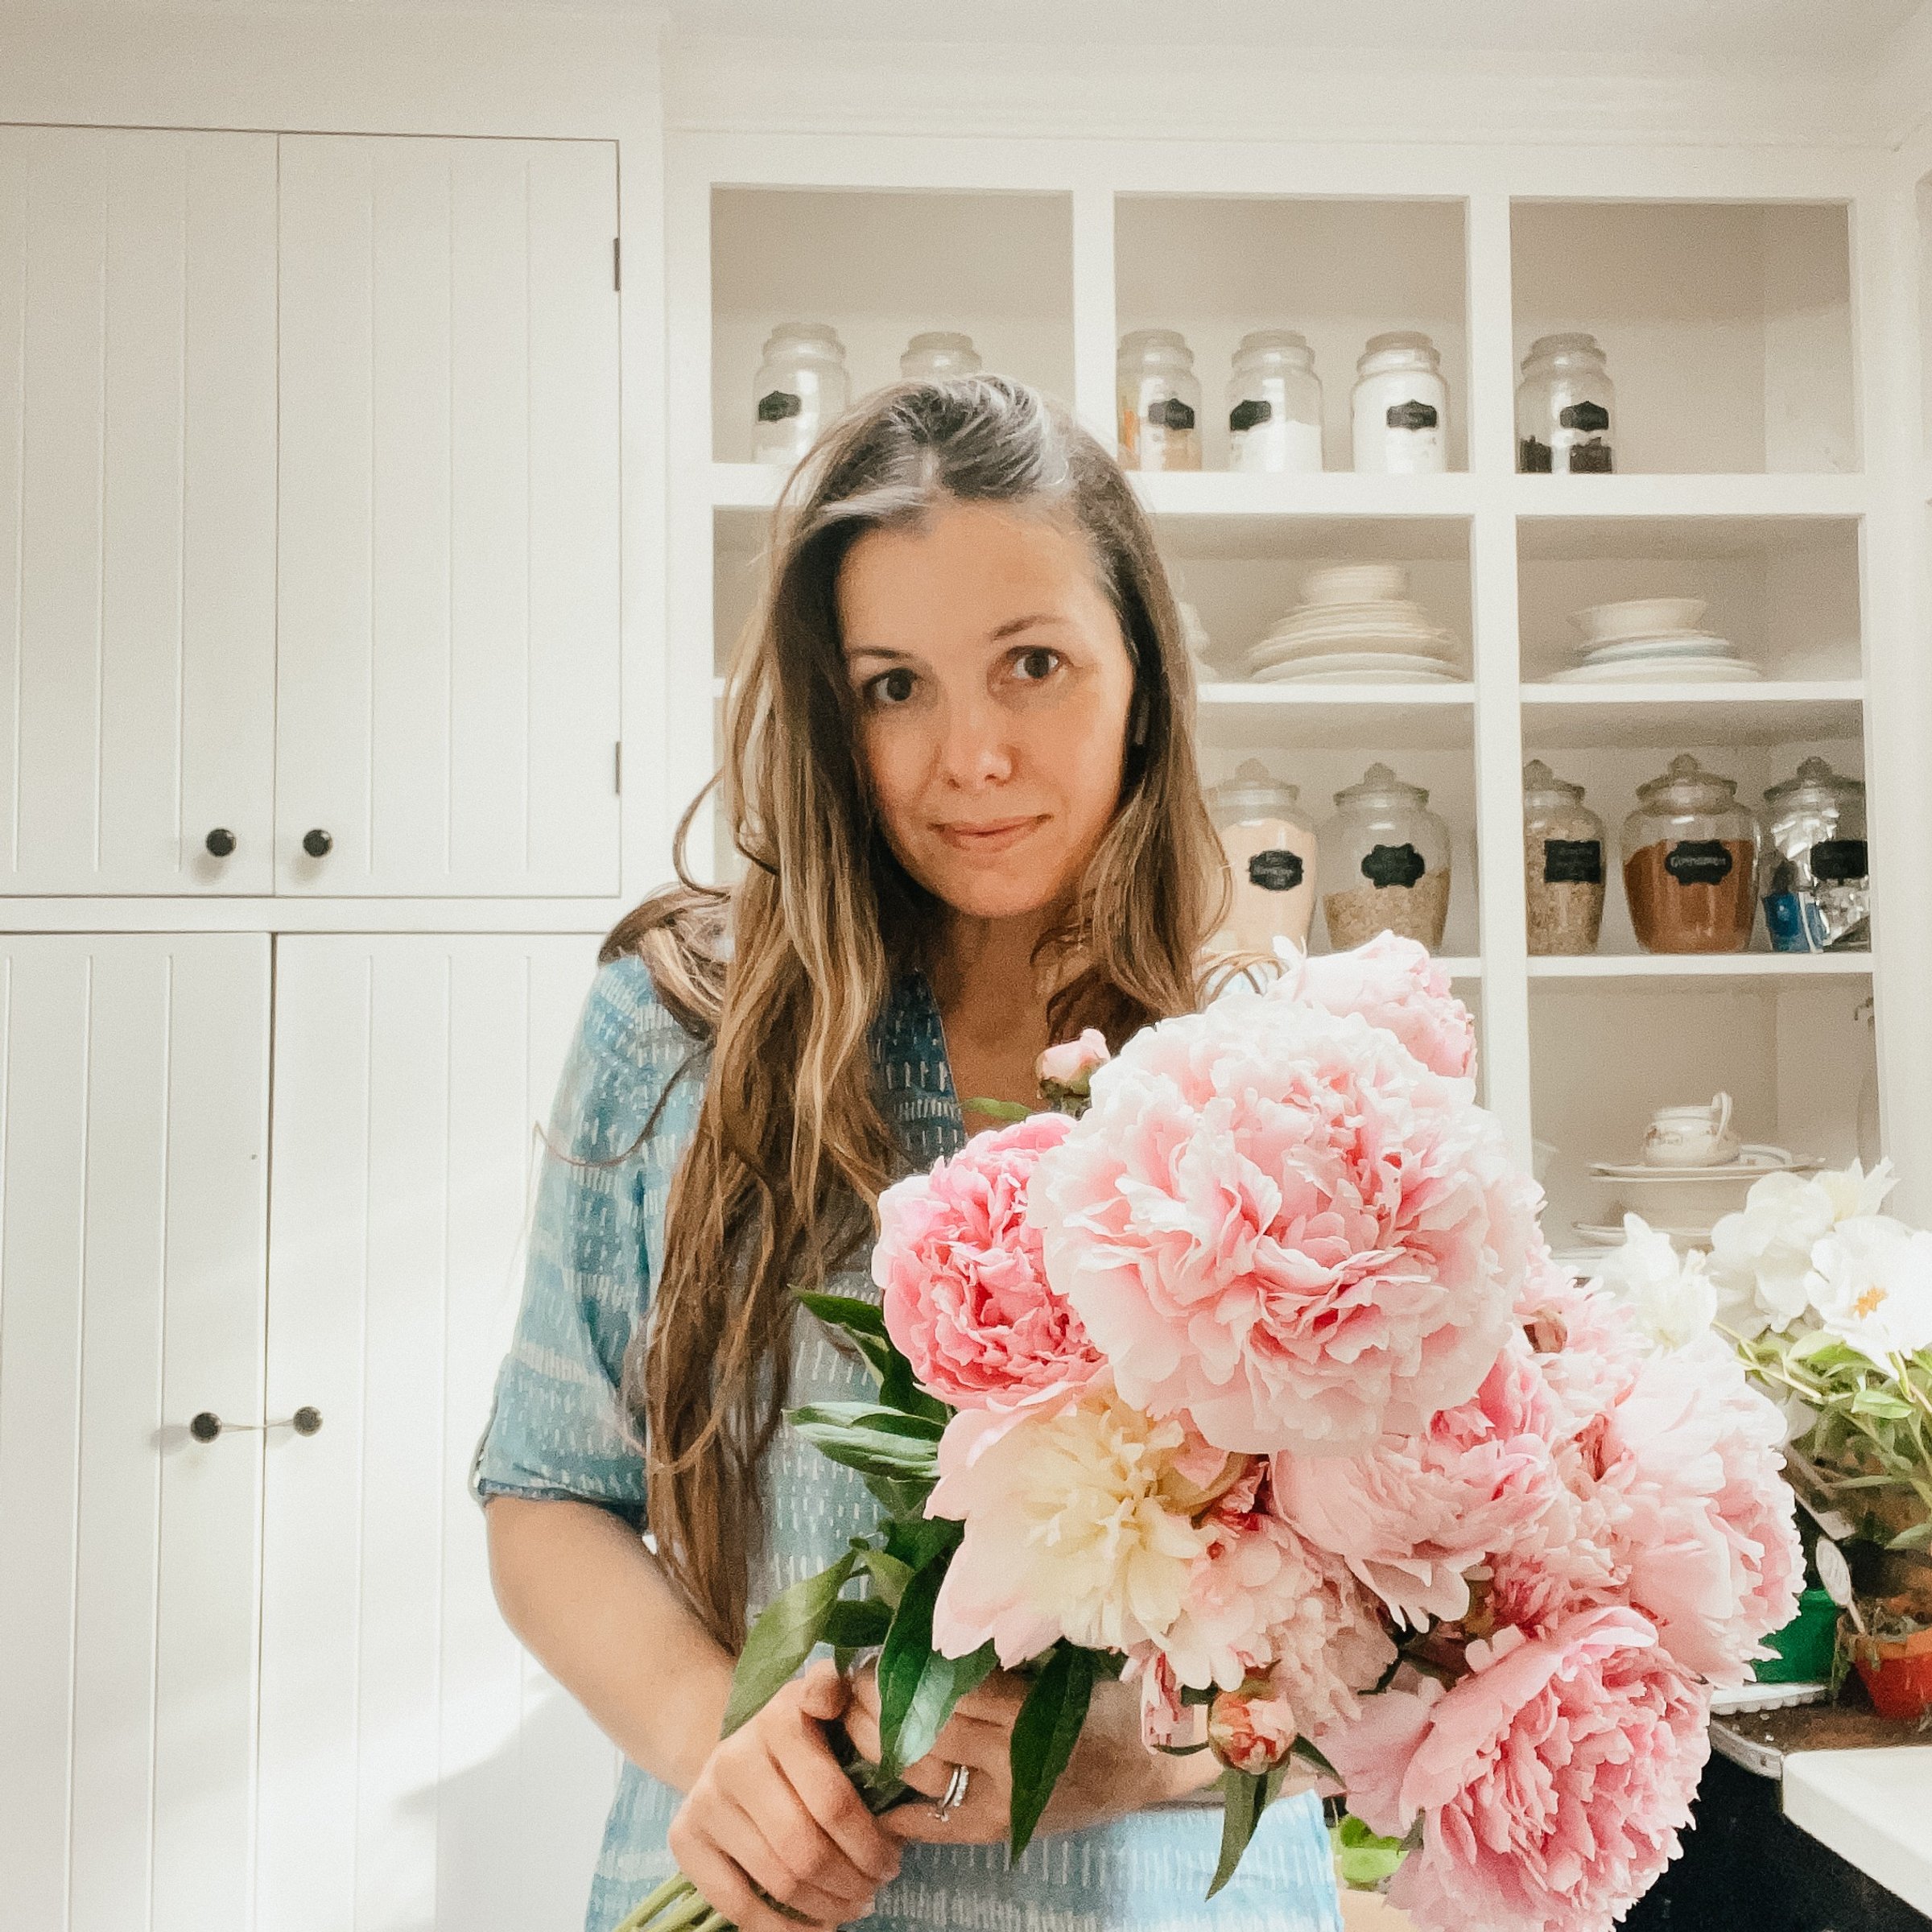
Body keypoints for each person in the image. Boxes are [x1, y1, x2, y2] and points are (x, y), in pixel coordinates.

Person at [469, 377, 1346, 1932]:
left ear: (1142, 672)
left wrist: (1156, 1751)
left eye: (1033, 665)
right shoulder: (679, 1026)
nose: (972, 759)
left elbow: (1411, 1592)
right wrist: (719, 1744)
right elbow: (550, 1493)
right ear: (826, 707)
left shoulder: (1284, 1071)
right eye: (893, 686)